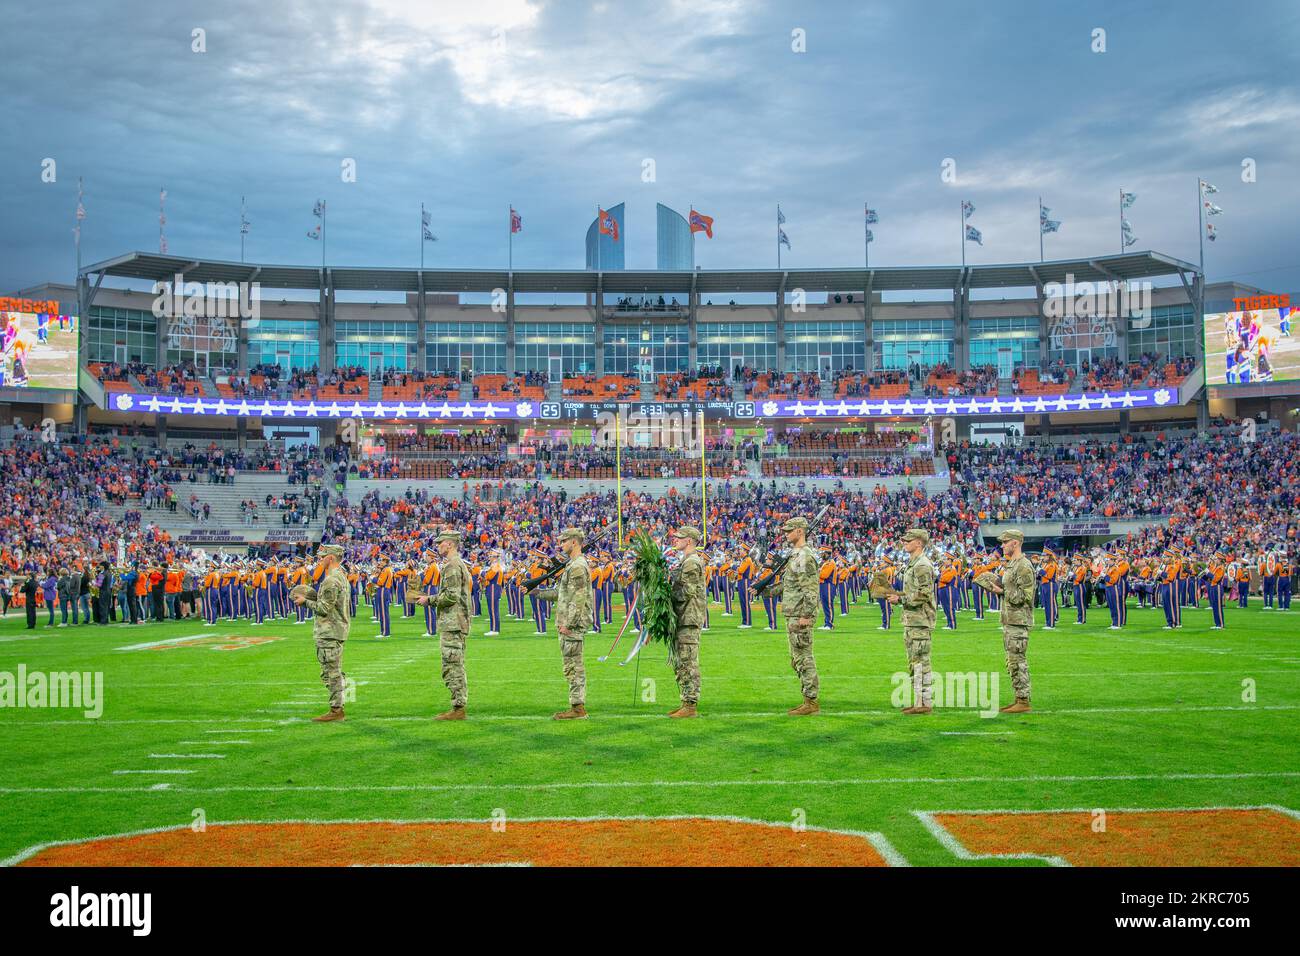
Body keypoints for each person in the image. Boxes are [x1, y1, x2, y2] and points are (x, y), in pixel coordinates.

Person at [535, 527, 594, 720]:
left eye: (564, 541)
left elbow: (578, 599)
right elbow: (562, 595)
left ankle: (578, 708)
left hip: (572, 626)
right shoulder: (573, 564)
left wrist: (568, 624)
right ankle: (576, 706)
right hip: (568, 624)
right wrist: (537, 593)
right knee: (571, 665)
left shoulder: (577, 566)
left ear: (574, 542)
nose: (561, 545)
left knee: (574, 665)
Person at [292, 544, 351, 722]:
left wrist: (305, 601)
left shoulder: (331, 580)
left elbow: (324, 608)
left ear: (330, 558)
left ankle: (336, 710)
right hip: (334, 630)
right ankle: (339, 701)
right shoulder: (340, 576)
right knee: (332, 671)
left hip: (330, 631)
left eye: (322, 556)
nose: (319, 559)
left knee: (331, 672)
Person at [769, 517, 821, 716]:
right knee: (797, 658)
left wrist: (806, 615)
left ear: (800, 531)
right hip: (793, 613)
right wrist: (766, 591)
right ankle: (808, 699)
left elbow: (810, 590)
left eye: (789, 530)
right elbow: (790, 585)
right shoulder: (795, 555)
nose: (785, 534)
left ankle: (811, 702)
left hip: (800, 615)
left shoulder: (804, 556)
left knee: (804, 657)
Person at [419, 530, 471, 720]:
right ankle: (458, 706)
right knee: (453, 663)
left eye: (441, 543)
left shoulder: (452, 565)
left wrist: (429, 599)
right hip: (455, 621)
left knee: (452, 665)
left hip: (453, 622)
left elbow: (451, 596)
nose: (438, 546)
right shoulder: (456, 564)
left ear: (449, 544)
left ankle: (458, 709)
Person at [984, 529, 1035, 714]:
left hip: (1019, 620)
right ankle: (1019, 698)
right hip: (1010, 618)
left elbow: (1026, 596)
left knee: (1017, 661)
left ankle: (1023, 701)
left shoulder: (1023, 565)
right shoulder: (1012, 564)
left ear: (1015, 543)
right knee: (1012, 661)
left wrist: (1002, 591)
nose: (1002, 545)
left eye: (1005, 542)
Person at [889, 528, 936, 715]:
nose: (904, 543)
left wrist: (899, 599)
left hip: (920, 620)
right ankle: (919, 701)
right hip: (912, 619)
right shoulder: (913, 563)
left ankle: (924, 702)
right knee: (914, 662)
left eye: (909, 540)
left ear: (919, 542)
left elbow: (924, 594)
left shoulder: (922, 565)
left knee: (921, 662)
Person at [667, 525, 707, 718]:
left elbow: (686, 592)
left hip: (688, 618)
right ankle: (685, 702)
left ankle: (690, 705)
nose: (676, 540)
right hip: (683, 617)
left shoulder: (692, 562)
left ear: (689, 541)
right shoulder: (686, 561)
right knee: (682, 662)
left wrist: (665, 594)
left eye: (680, 537)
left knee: (688, 663)